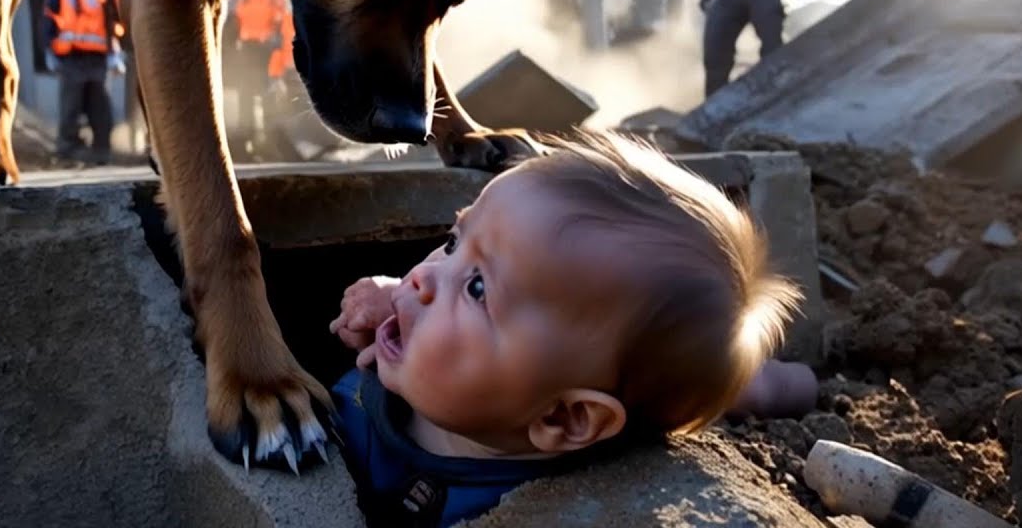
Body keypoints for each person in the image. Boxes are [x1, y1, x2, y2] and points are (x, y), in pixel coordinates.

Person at [329, 130, 817, 527]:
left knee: (716, 387)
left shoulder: (525, 507)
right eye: (455, 242)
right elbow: (435, 296)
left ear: (563, 419)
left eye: (477, 288)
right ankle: (788, 383)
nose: (423, 276)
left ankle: (772, 383)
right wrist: (392, 297)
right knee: (746, 385)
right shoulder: (486, 370)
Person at [40, 0, 123, 164]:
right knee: (99, 106)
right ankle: (102, 151)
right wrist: (114, 54)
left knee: (71, 106)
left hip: (72, 59)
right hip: (98, 60)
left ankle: (68, 152)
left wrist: (49, 52)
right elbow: (111, 26)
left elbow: (47, 27)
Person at [225, 0, 294, 160]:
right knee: (262, 97)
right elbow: (285, 34)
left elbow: (233, 27)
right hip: (260, 53)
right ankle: (261, 143)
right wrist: (283, 67)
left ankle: (251, 142)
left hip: (251, 52)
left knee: (249, 98)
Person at [100, 0, 147, 156]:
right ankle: (140, 140)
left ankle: (143, 139)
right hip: (138, 33)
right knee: (142, 88)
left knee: (139, 89)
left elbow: (108, 4)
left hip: (138, 32)